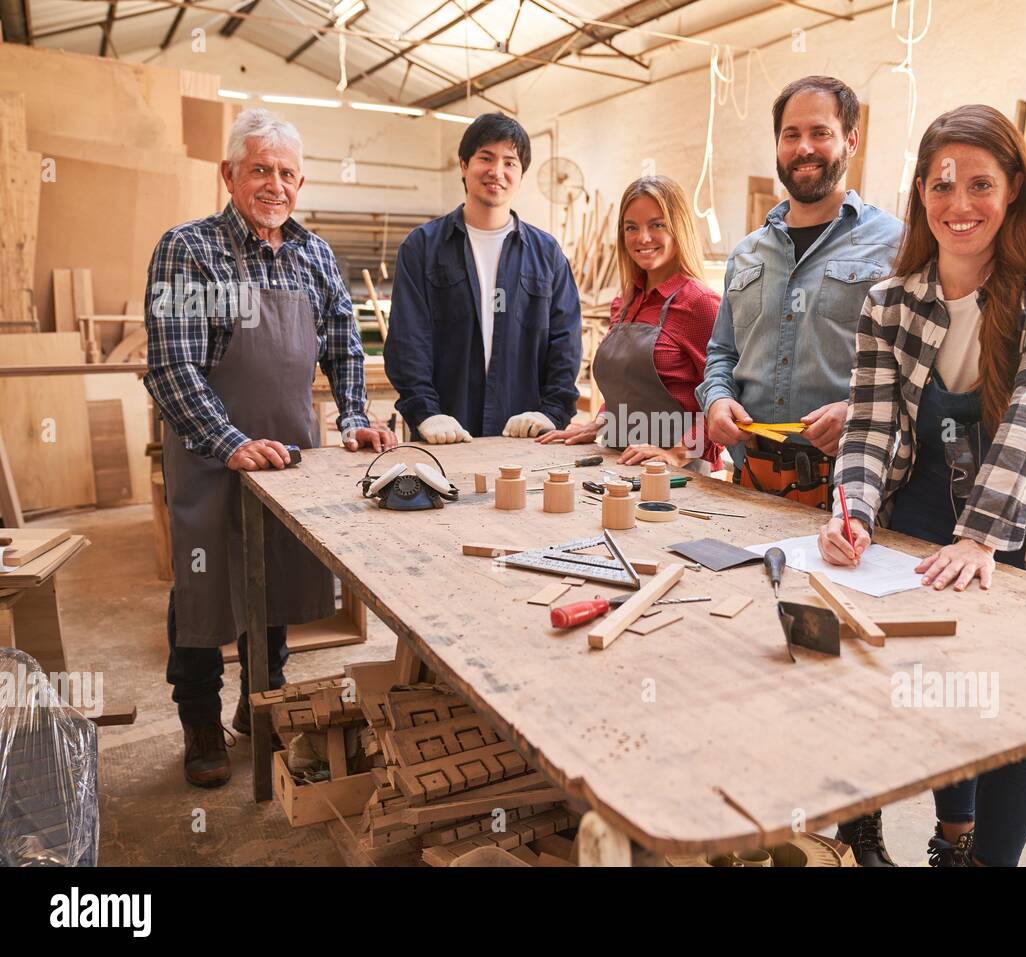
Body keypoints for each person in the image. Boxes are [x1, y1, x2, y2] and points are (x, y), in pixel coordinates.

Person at [819, 104, 1026, 866]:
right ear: (920, 194)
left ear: (1011, 190)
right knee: (944, 688)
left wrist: (981, 535)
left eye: (980, 183)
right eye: (942, 185)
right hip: (920, 525)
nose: (960, 204)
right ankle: (949, 836)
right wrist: (853, 512)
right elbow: (870, 427)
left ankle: (986, 861)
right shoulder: (890, 301)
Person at [144, 109, 395, 788]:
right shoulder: (187, 248)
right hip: (208, 454)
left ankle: (264, 710)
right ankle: (200, 721)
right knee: (202, 589)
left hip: (285, 456)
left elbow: (344, 339)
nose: (274, 184)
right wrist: (228, 442)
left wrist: (353, 415)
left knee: (272, 586)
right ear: (229, 174)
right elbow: (171, 366)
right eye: (260, 168)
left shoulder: (314, 254)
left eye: (286, 172)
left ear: (301, 181)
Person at [698, 75, 902, 510]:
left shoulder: (895, 246)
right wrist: (716, 399)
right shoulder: (747, 254)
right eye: (791, 135)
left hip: (852, 492)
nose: (803, 147)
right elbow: (722, 353)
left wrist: (855, 411)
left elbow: (915, 371)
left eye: (820, 133)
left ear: (851, 141)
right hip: (750, 482)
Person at [384, 112, 582, 443]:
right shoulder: (422, 247)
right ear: (463, 165)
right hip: (443, 436)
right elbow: (408, 340)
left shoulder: (546, 253)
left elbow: (565, 341)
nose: (497, 172)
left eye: (510, 162)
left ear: (521, 175)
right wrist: (425, 413)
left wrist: (552, 412)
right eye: (486, 158)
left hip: (526, 437)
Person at [538, 175, 721, 472]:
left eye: (657, 225)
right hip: (617, 459)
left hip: (676, 470)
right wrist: (599, 422)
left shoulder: (700, 303)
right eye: (631, 228)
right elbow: (627, 388)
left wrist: (677, 453)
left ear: (679, 228)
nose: (643, 238)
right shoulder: (623, 303)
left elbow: (724, 401)